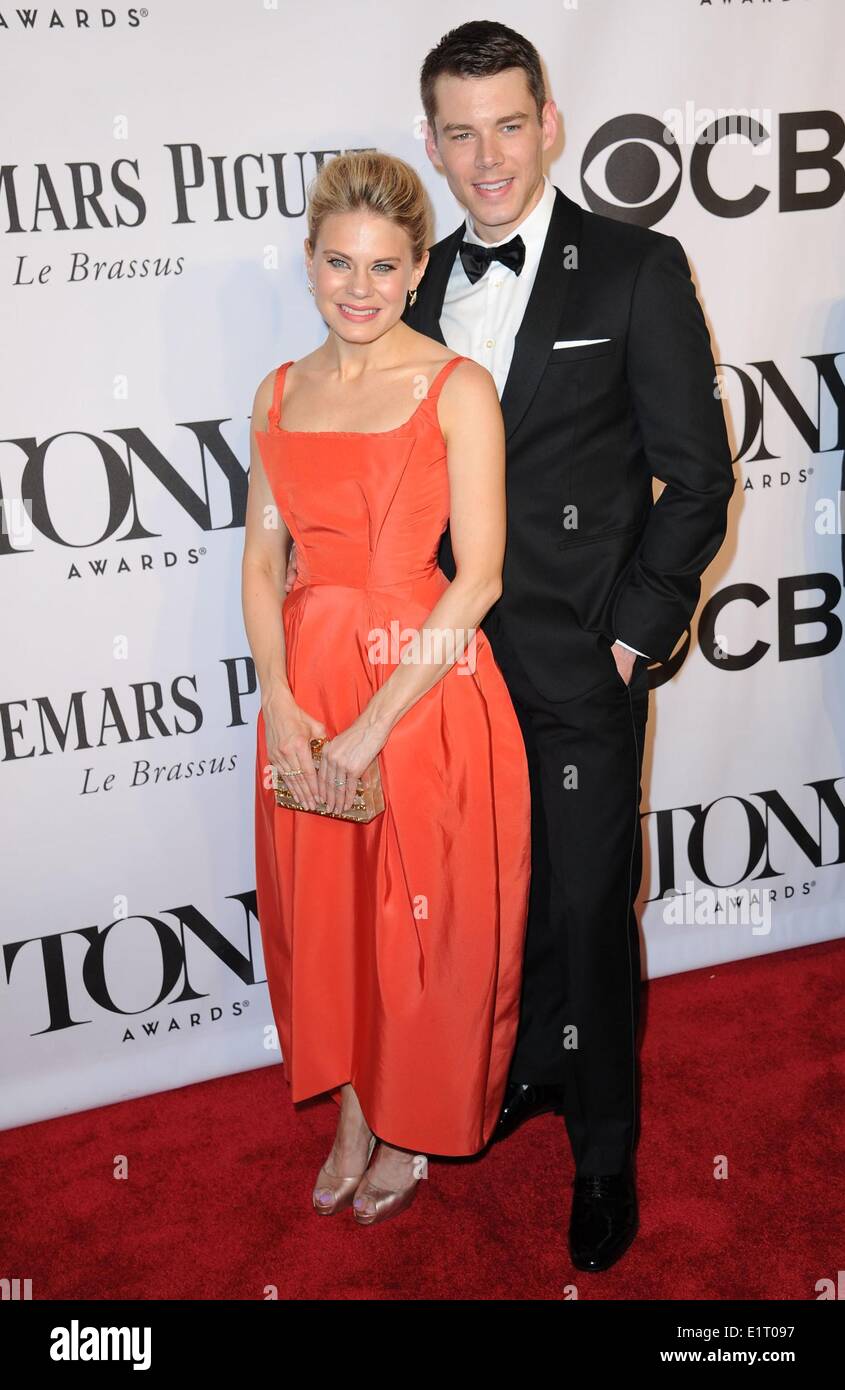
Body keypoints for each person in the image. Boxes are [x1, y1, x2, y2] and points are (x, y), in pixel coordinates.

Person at [287, 23, 735, 1269]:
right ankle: (524, 1071)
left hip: (571, 662)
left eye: (506, 123)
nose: (484, 155)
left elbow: (695, 479)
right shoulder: (407, 283)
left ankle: (602, 1155)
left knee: (587, 905)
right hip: (436, 672)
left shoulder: (637, 270)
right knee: (476, 909)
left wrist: (629, 641)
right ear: (429, 140)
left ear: (549, 119)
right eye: (458, 130)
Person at [242, 150, 531, 1228]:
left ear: (416, 271)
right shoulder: (278, 391)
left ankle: (412, 1121)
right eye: (335, 263)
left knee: (422, 926)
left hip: (424, 688)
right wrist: (277, 693)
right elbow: (262, 559)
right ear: (308, 262)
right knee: (329, 920)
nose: (356, 288)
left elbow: (484, 574)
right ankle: (356, 1113)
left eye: (381, 266)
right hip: (309, 680)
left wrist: (370, 726)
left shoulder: (458, 388)